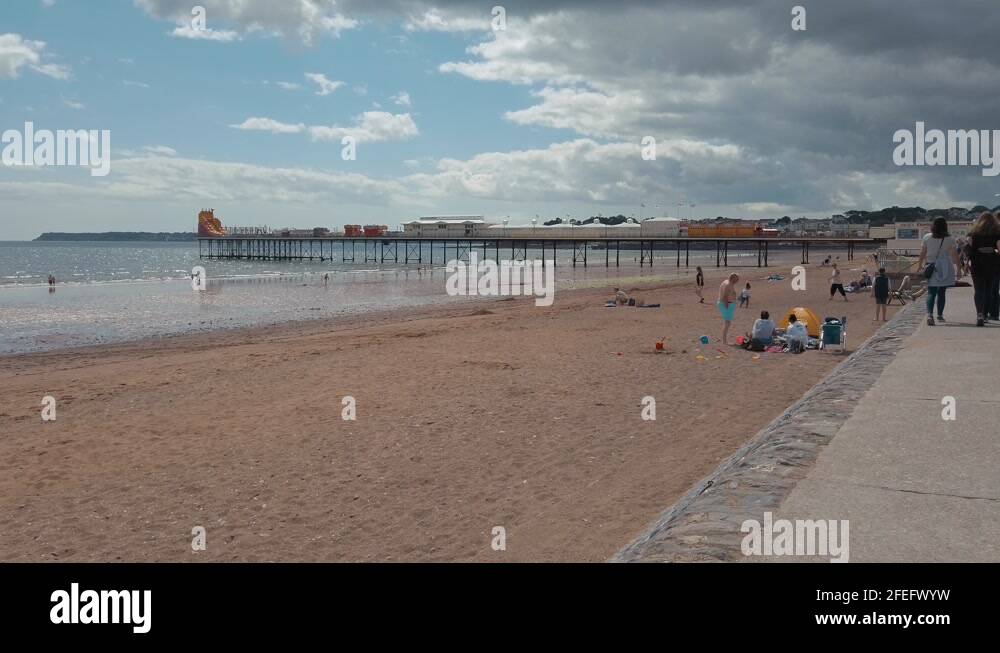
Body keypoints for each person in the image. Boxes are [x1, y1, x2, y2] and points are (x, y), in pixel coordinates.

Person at [917, 217, 961, 326]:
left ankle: (930, 315)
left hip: (931, 266)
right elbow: (954, 256)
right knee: (942, 292)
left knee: (931, 292)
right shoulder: (950, 239)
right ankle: (940, 315)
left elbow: (923, 252)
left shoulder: (927, 237)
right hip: (945, 266)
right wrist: (959, 268)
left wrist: (919, 265)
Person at [965, 212, 1000, 327]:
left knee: (978, 290)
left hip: (977, 263)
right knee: (989, 290)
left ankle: (979, 314)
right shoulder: (997, 232)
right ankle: (985, 314)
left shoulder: (973, 232)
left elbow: (968, 247)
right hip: (992, 263)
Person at [717, 273, 739, 344]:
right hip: (726, 304)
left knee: (727, 323)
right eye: (736, 279)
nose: (737, 281)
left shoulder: (727, 282)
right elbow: (725, 296)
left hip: (727, 304)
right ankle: (724, 340)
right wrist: (727, 306)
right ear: (733, 278)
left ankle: (724, 340)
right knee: (728, 323)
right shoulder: (728, 284)